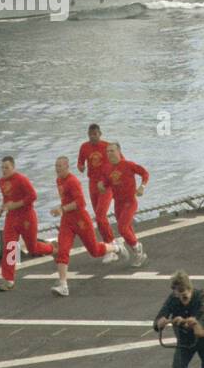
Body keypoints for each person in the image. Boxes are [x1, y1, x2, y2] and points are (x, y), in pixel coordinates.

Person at [50, 157, 118, 297]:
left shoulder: (73, 181)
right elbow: (67, 200)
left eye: (60, 166)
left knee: (94, 251)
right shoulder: (59, 180)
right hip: (67, 221)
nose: (57, 169)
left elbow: (81, 203)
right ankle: (63, 285)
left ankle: (115, 247)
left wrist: (62, 208)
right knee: (63, 250)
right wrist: (61, 209)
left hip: (81, 220)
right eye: (56, 166)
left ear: (67, 166)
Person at [0, 157, 54, 291]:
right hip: (11, 218)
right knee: (10, 246)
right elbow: (7, 197)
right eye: (2, 168)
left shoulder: (21, 179)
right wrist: (2, 208)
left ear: (13, 167)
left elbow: (33, 196)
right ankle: (9, 279)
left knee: (32, 248)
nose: (4, 170)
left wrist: (15, 205)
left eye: (7, 167)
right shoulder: (1, 182)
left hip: (26, 216)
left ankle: (52, 248)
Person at [97, 141, 149, 266]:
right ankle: (138, 253)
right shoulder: (107, 168)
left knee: (122, 228)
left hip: (130, 202)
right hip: (118, 204)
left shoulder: (128, 164)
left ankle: (138, 249)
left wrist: (142, 186)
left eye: (112, 151)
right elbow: (106, 183)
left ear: (119, 151)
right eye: (108, 151)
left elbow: (145, 173)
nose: (109, 153)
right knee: (127, 229)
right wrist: (101, 185)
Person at [76, 123, 114, 243]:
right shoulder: (84, 147)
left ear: (100, 134)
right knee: (99, 217)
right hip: (92, 184)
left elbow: (120, 161)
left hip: (106, 184)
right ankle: (109, 242)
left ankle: (111, 243)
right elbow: (80, 162)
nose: (92, 137)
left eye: (95, 134)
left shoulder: (107, 146)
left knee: (100, 216)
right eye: (90, 134)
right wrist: (81, 167)